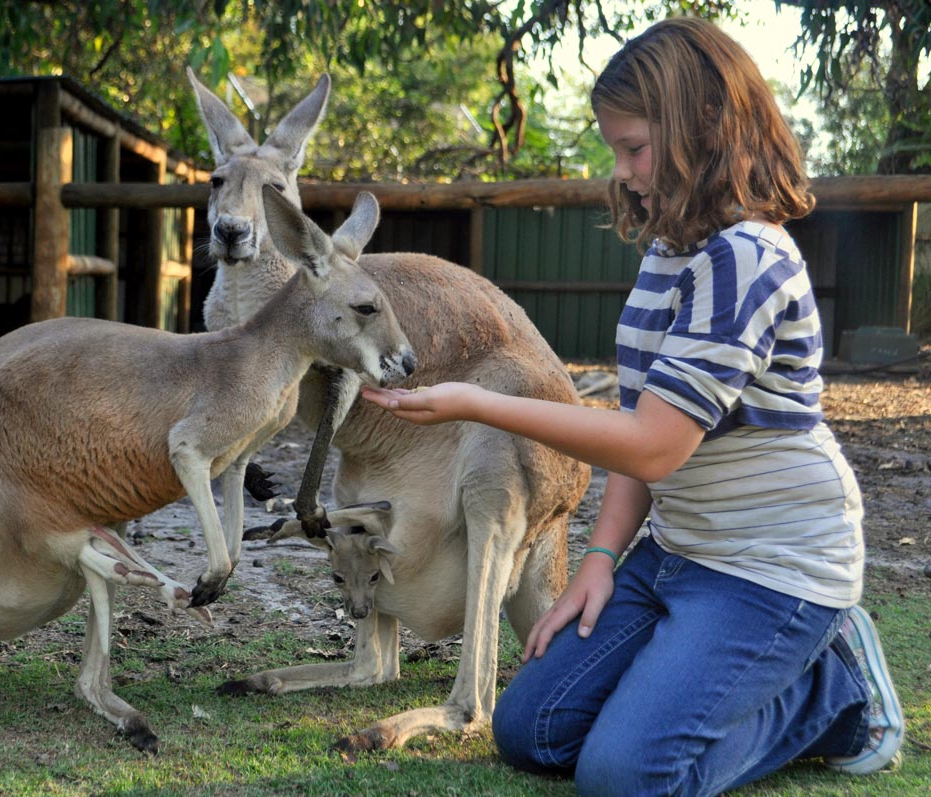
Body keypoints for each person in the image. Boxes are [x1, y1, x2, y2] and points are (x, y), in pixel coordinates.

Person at [360, 15, 903, 797]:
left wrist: (479, 403)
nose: (622, 173)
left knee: (626, 774)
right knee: (530, 731)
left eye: (634, 149)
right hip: (679, 553)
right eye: (614, 150)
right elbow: (640, 420)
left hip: (773, 567)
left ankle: (841, 693)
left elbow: (650, 444)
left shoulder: (748, 258)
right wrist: (603, 559)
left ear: (704, 126)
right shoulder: (668, 249)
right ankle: (699, 667)